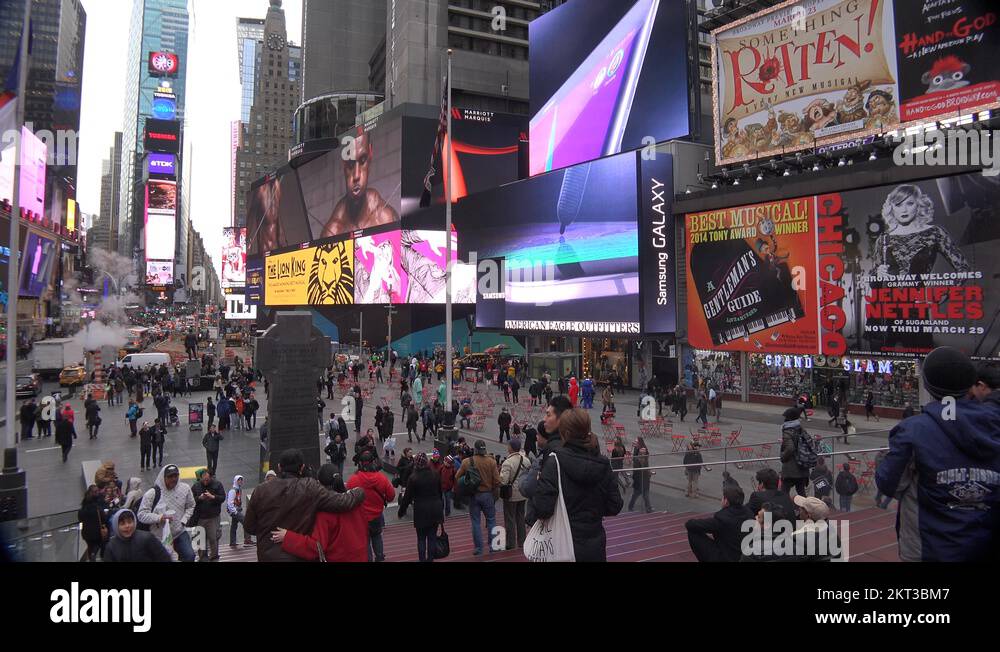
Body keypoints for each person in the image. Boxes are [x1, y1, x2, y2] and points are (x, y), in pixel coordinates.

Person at [876, 346, 1000, 562]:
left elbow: (889, 484)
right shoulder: (994, 422)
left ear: (927, 385)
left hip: (928, 550)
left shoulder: (913, 431)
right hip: (983, 544)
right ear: (971, 383)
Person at [532, 408, 623, 561]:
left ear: (565, 433)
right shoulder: (603, 464)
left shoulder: (555, 462)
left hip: (562, 546)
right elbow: (615, 505)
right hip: (594, 547)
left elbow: (542, 509)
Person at [245, 448, 366, 562]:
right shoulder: (310, 488)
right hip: (298, 556)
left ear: (279, 467)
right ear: (302, 467)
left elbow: (250, 527)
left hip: (268, 555)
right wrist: (358, 492)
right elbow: (341, 502)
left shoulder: (260, 490)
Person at [270, 465, 370, 562]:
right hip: (360, 556)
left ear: (319, 484)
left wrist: (287, 537)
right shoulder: (357, 503)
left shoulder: (325, 512)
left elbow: (316, 548)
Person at [520, 396, 573, 526]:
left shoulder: (552, 454)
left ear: (561, 419)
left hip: (555, 527)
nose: (544, 419)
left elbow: (540, 503)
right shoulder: (583, 448)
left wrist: (526, 473)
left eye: (548, 414)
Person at [137, 465, 197, 562]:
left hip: (179, 532)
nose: (173, 479)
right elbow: (141, 515)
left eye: (175, 476)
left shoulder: (185, 488)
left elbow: (191, 505)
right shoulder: (152, 493)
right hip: (159, 536)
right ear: (163, 477)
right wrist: (159, 518)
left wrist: (184, 520)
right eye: (170, 477)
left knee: (189, 556)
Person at [346, 450, 395, 562]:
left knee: (365, 540)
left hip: (360, 517)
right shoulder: (381, 478)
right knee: (377, 536)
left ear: (361, 463)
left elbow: (348, 498)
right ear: (373, 462)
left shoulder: (353, 480)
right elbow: (391, 496)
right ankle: (380, 557)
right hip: (376, 516)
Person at [685, 486, 754, 562]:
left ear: (726, 501)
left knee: (693, 532)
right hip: (746, 557)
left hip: (727, 558)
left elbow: (690, 524)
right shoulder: (749, 513)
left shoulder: (722, 518)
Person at [456, 440, 501, 556]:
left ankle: (479, 548)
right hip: (487, 495)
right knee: (491, 520)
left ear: (474, 449)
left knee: (476, 522)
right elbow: (497, 481)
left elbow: (457, 477)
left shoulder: (467, 461)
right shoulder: (491, 462)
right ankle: (493, 546)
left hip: (473, 495)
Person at [398, 453, 445, 562]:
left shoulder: (413, 478)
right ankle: (431, 559)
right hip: (435, 509)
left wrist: (401, 511)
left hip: (421, 511)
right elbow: (440, 492)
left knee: (421, 539)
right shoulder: (435, 474)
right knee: (432, 537)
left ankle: (422, 560)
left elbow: (407, 498)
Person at [103, 509, 172, 562]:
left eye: (130, 522)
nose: (127, 526)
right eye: (122, 523)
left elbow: (164, 558)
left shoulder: (147, 538)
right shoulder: (111, 546)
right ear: (116, 526)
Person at [499, 439, 530, 550]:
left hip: (511, 494)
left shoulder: (508, 462)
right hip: (523, 492)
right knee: (521, 517)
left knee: (510, 518)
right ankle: (522, 541)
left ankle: (510, 543)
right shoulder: (526, 460)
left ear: (511, 447)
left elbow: (503, 481)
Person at [191, 468, 226, 561]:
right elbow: (190, 500)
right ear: (201, 477)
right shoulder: (196, 486)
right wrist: (199, 498)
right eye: (203, 479)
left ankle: (214, 557)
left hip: (213, 517)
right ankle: (202, 558)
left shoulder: (217, 484)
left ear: (210, 477)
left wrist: (213, 497)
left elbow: (223, 497)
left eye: (207, 479)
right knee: (200, 540)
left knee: (213, 538)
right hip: (199, 518)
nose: (205, 481)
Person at [779, 407, 810, 496]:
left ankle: (786, 509)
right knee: (801, 493)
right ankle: (805, 509)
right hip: (803, 468)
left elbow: (790, 448)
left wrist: (782, 456)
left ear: (788, 419)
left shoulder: (788, 432)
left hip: (790, 470)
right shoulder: (802, 430)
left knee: (784, 493)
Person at [79, 485, 108, 562]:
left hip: (86, 534)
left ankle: (92, 556)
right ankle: (95, 555)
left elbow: (80, 521)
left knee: (90, 546)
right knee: (98, 545)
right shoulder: (97, 508)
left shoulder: (81, 510)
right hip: (97, 533)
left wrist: (82, 530)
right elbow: (104, 519)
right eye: (96, 491)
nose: (98, 493)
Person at [226, 475, 253, 547]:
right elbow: (230, 503)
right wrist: (235, 511)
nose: (240, 481)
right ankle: (247, 539)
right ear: (235, 481)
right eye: (239, 480)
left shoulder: (239, 489)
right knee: (246, 521)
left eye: (241, 480)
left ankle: (232, 542)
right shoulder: (233, 490)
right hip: (235, 510)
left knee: (234, 525)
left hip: (237, 510)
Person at [628, 446, 654, 513]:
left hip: (645, 480)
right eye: (642, 453)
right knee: (635, 495)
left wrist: (649, 472)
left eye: (644, 453)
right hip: (639, 481)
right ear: (639, 453)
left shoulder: (645, 459)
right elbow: (636, 472)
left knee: (646, 496)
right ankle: (630, 507)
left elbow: (647, 468)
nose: (644, 455)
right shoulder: (637, 460)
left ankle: (648, 508)